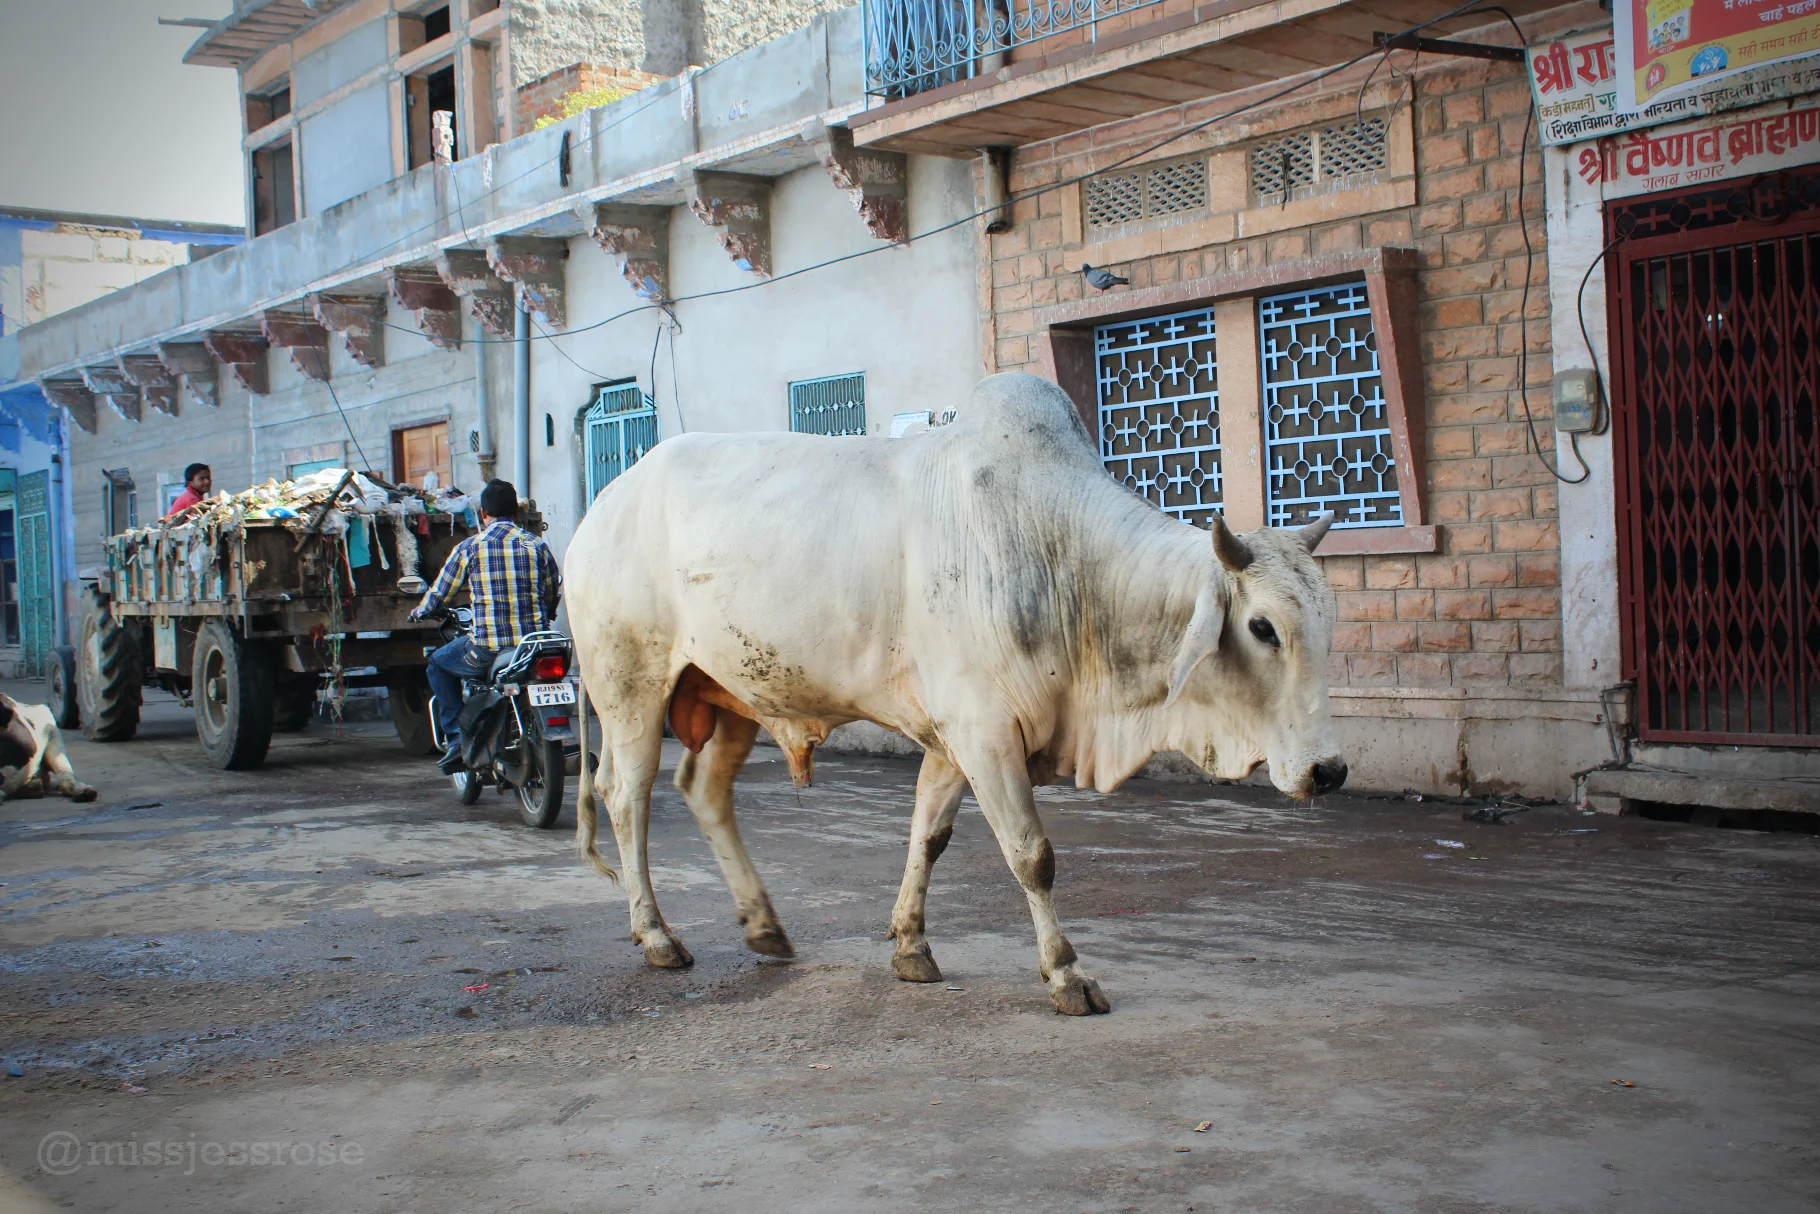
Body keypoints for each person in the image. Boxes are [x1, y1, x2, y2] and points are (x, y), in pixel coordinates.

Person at [409, 479, 561, 772]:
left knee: (438, 664)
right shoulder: (536, 545)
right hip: (533, 647)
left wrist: (420, 612)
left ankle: (456, 740)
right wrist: (548, 612)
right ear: (516, 513)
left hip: (488, 650)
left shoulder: (470, 547)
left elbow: (440, 593)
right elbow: (552, 588)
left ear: (482, 513)